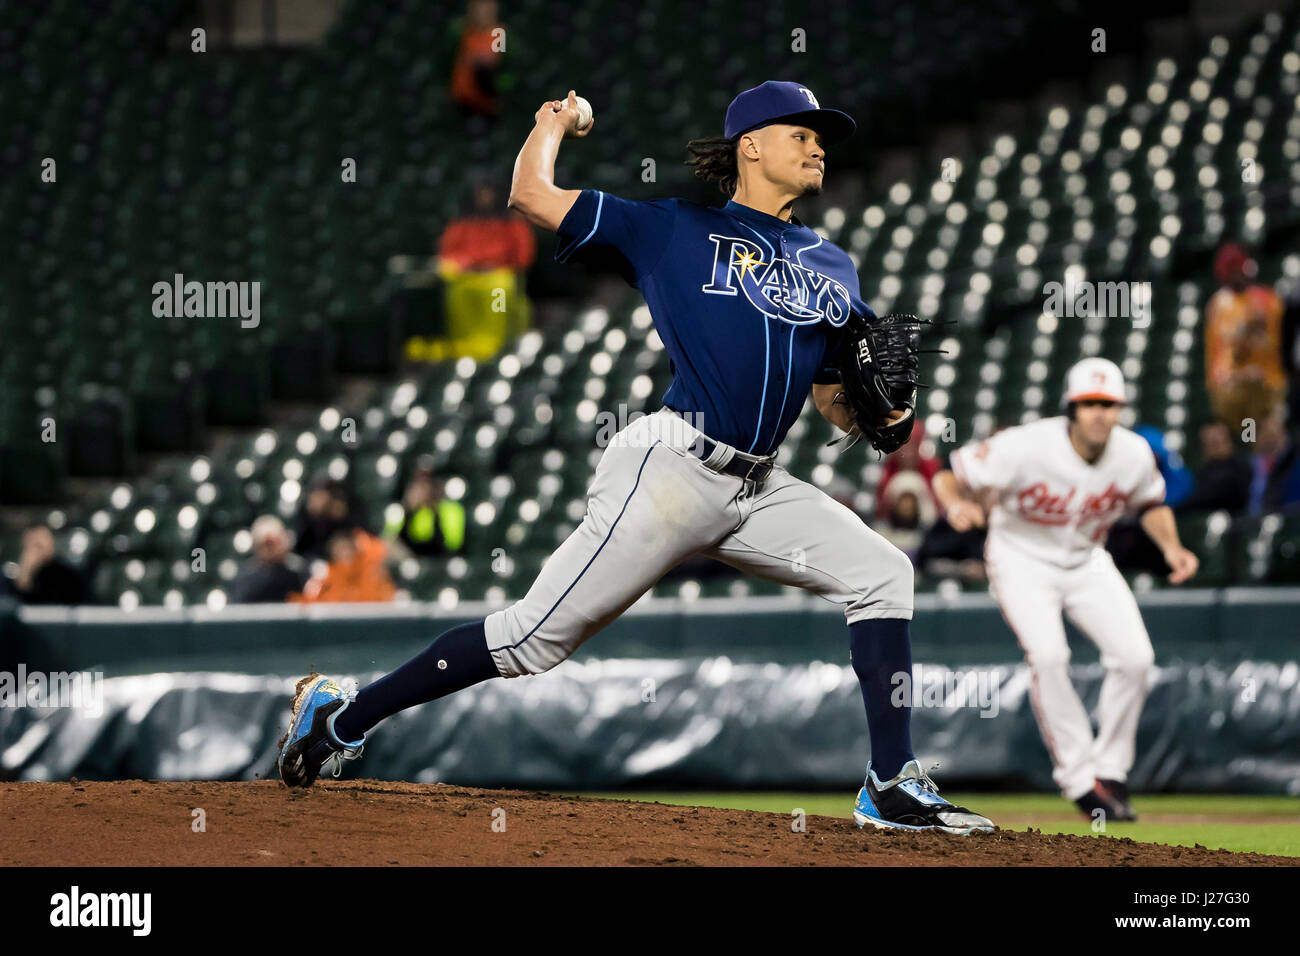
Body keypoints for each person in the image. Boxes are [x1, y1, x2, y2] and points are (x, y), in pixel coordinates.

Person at [276, 81, 994, 835]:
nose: (818, 145)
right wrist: (552, 122)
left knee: (885, 572)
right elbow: (530, 194)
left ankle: (888, 783)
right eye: (800, 132)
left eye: (823, 137)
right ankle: (340, 717)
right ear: (750, 144)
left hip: (757, 484)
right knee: (529, 640)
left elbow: (834, 403)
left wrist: (891, 409)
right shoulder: (672, 229)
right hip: (672, 468)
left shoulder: (833, 266)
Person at [931, 358, 1199, 823]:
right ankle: (1079, 780)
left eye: (1109, 404)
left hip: (1086, 559)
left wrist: (1173, 548)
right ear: (1071, 408)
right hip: (1020, 557)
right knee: (1050, 657)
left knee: (1135, 659)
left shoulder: (1133, 453)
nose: (1100, 413)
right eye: (1089, 403)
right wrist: (955, 504)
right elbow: (948, 470)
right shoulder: (1025, 446)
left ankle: (1110, 772)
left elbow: (1151, 502)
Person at [1205, 243, 1287, 431]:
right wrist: (1245, 331)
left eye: (1236, 269)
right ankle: (1247, 444)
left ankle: (1257, 451)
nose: (1234, 276)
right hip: (1231, 388)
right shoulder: (1219, 303)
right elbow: (1224, 352)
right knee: (1245, 433)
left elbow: (1274, 343)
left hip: (1267, 384)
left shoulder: (1266, 298)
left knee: (1264, 433)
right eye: (1229, 271)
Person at [383, 460, 467, 557]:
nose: (423, 488)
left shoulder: (450, 509)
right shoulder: (398, 509)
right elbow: (390, 537)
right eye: (419, 482)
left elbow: (452, 544)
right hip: (409, 556)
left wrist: (434, 509)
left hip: (439, 558)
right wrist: (408, 509)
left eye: (427, 482)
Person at [291, 529, 397, 604]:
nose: (344, 553)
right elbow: (310, 604)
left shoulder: (373, 574)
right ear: (333, 554)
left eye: (346, 548)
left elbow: (386, 599)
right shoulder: (323, 580)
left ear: (354, 549)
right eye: (339, 549)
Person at [1176, 421, 1251, 515]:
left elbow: (1205, 496)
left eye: (1216, 443)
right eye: (1208, 444)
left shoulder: (1239, 469)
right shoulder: (1202, 472)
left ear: (1229, 442)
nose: (1214, 448)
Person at [229, 516, 309, 604]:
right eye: (266, 544)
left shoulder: (300, 570)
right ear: (256, 546)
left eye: (274, 543)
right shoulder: (247, 575)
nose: (270, 550)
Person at [8, 525, 89, 605]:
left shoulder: (64, 573)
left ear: (51, 544)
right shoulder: (15, 574)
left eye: (39, 546)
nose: (34, 551)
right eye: (31, 545)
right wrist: (25, 571)